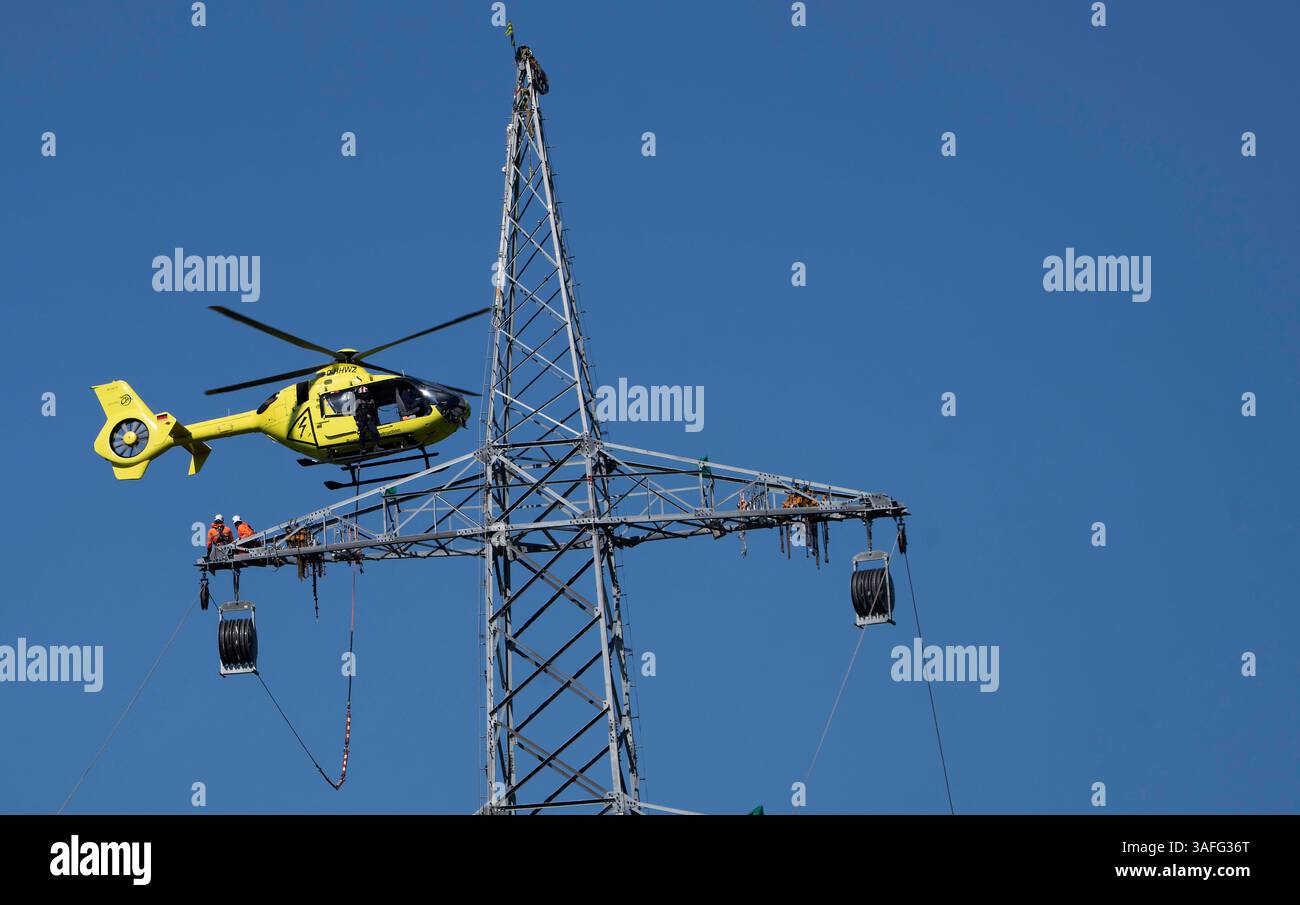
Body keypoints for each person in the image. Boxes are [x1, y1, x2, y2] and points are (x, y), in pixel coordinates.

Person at [353, 383, 380, 450]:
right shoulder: (358, 402)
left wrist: (375, 420)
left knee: (374, 432)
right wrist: (357, 421)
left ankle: (376, 446)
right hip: (362, 420)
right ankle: (362, 449)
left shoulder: (371, 401)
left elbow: (374, 411)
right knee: (362, 434)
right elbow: (354, 413)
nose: (364, 396)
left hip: (369, 420)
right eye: (362, 394)